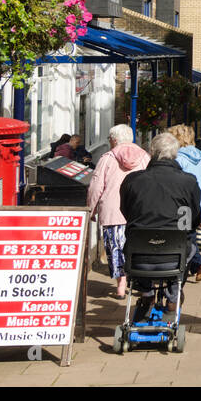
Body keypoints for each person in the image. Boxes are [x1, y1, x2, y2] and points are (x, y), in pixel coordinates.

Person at [120, 133, 201, 322]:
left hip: (138, 256)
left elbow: (126, 211)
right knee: (188, 246)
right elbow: (193, 218)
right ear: (175, 154)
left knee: (141, 242)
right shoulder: (187, 181)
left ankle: (147, 294)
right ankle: (173, 299)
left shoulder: (132, 180)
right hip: (174, 257)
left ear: (151, 152)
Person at [85, 124, 150, 298]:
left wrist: (90, 210)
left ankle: (121, 286)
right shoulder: (145, 157)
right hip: (138, 212)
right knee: (137, 249)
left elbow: (96, 186)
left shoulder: (107, 158)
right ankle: (141, 285)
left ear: (114, 140)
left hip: (112, 212)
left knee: (116, 249)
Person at [168, 124, 201, 282]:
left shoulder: (178, 158)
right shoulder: (199, 156)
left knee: (186, 238)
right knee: (189, 235)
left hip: (184, 206)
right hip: (198, 205)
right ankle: (196, 265)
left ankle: (199, 263)